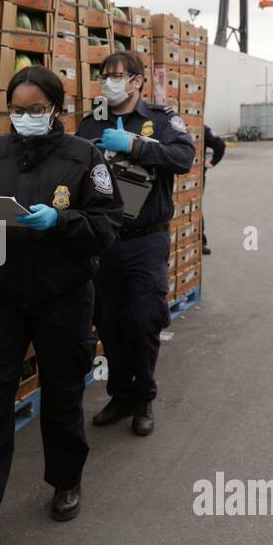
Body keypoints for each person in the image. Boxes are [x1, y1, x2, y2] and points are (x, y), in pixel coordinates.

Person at [0, 66, 122, 545]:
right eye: (17, 109)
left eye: (35, 109)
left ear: (55, 108)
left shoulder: (84, 157)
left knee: (62, 392)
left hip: (64, 296)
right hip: (1, 297)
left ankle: (65, 480)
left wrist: (61, 220)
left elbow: (107, 223)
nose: (26, 117)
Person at [77, 51, 195, 437]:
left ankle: (144, 395)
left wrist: (135, 146)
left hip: (146, 239)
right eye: (104, 75)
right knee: (108, 320)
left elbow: (184, 157)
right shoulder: (90, 125)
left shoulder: (160, 120)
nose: (110, 81)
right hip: (104, 241)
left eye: (118, 75)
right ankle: (120, 393)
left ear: (137, 81)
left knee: (144, 318)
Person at [201, 124, 226, 255]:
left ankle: (200, 242)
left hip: (195, 178)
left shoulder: (201, 128)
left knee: (195, 208)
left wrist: (212, 163)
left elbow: (220, 145)